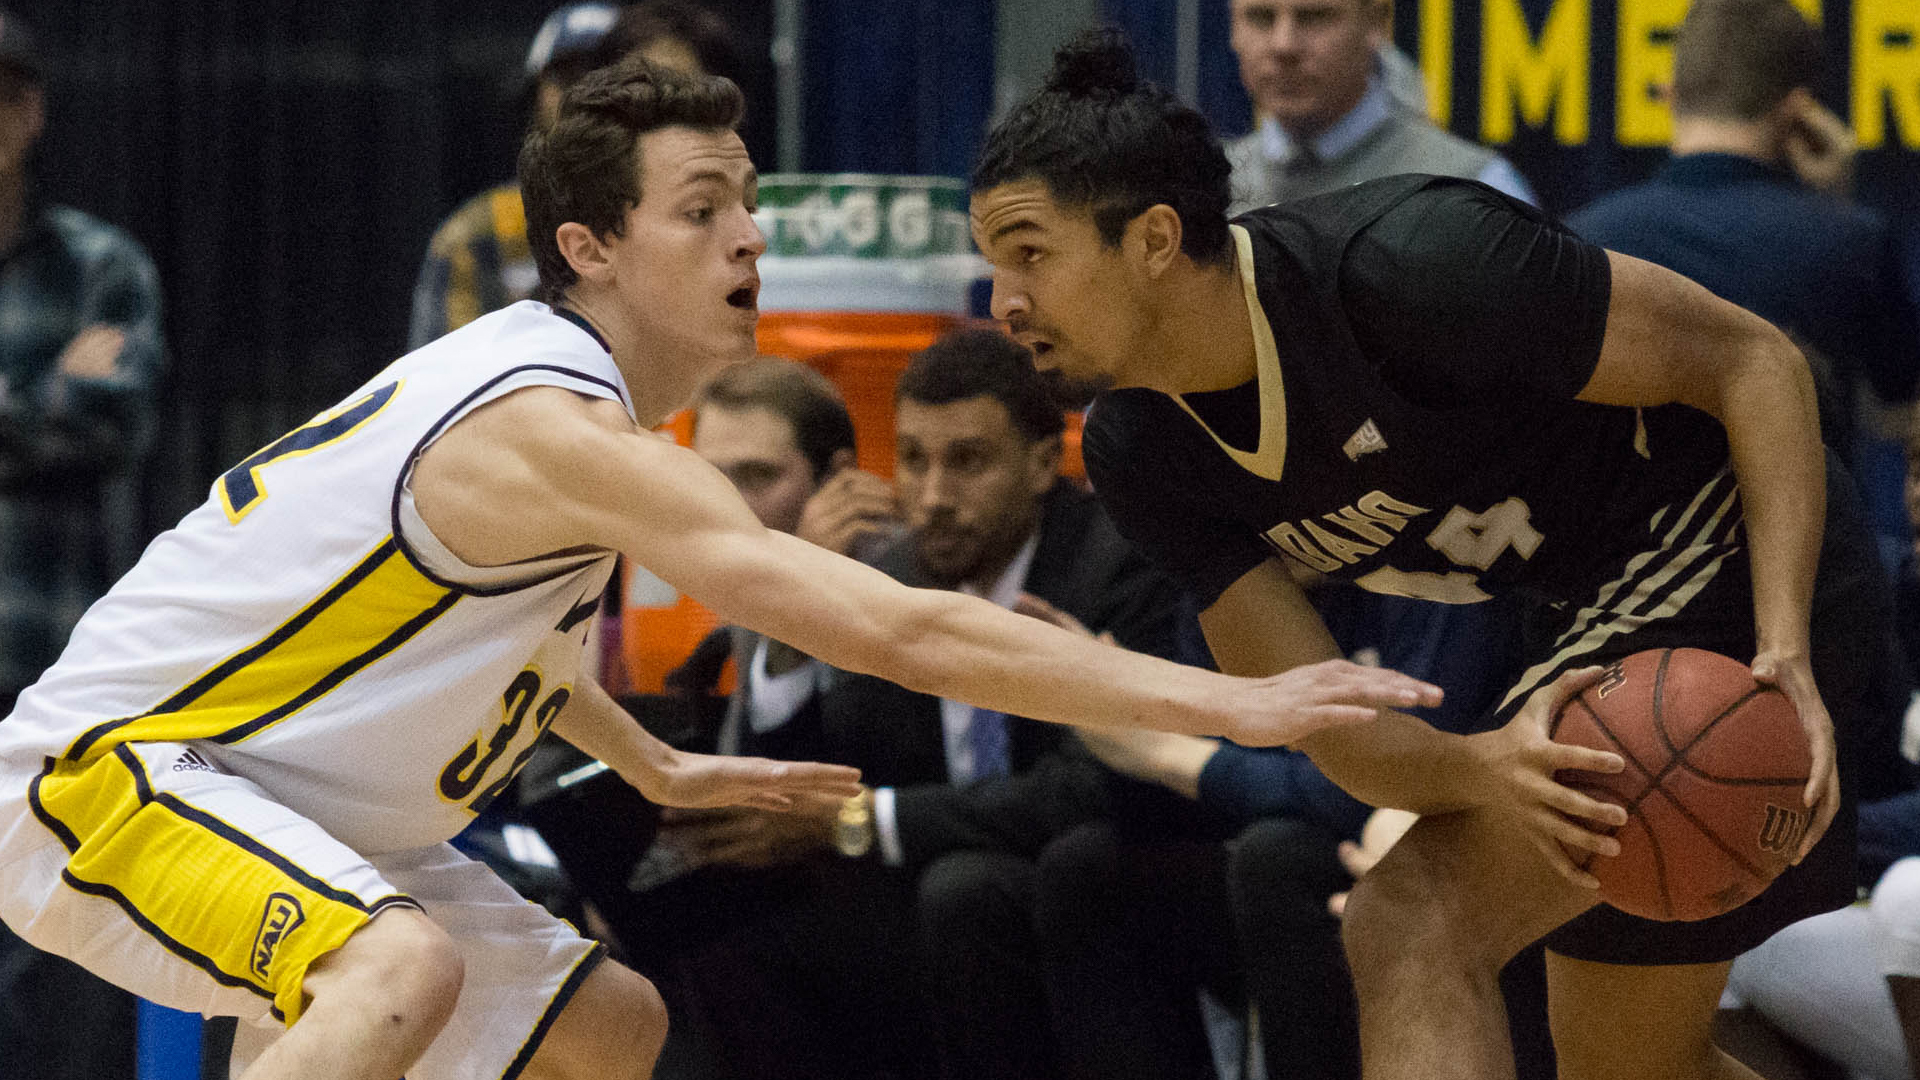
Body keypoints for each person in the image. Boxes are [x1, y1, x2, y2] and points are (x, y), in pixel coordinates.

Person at [0, 58, 1436, 1080]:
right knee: (397, 970)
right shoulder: (556, 430)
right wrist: (1232, 704)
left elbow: (480, 633)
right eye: (701, 209)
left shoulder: (562, 420)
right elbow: (900, 629)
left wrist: (654, 763)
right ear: (589, 247)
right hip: (111, 773)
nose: (749, 233)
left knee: (608, 1027)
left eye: (747, 201)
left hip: (296, 803)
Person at [969, 28, 1889, 1080]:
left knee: (1411, 919)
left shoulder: (1411, 265)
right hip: (1579, 602)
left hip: (1726, 541)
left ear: (1154, 240)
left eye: (1030, 254)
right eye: (994, 263)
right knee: (1632, 1066)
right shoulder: (1141, 450)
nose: (1004, 302)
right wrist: (1479, 766)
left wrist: (1783, 648)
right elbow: (1334, 728)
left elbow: (1755, 361)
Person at [619, 329, 1193, 1080]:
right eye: (914, 459)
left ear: (1043, 463)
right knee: (718, 909)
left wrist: (860, 820)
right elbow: (834, 763)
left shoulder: (1118, 565)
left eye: (968, 461)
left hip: (1100, 870)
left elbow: (1094, 789)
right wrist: (793, 619)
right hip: (941, 878)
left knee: (970, 891)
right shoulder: (896, 573)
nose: (932, 497)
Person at [0, 9, 166, 1079]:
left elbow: (112, 426)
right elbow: (62, 414)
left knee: (50, 956)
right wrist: (39, 395)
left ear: (28, 112)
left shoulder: (102, 265)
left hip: (49, 661)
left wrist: (63, 409)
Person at [1567, 0, 1920, 493]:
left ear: (1668, 95)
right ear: (1801, 112)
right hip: (1807, 532)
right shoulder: (1852, 242)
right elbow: (1901, 409)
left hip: (1631, 537)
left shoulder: (1582, 241)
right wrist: (1837, 202)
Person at [409, 0, 738, 349]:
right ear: (534, 96)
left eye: (606, 82)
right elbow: (444, 376)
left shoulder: (716, 225)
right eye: (569, 79)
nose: (586, 99)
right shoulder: (479, 235)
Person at [1221, 0, 1534, 214]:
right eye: (1261, 17)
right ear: (1233, 27)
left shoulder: (1475, 190)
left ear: (1376, 22)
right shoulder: (1212, 184)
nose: (1284, 45)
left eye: (1315, 17)